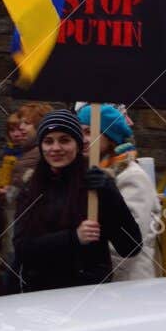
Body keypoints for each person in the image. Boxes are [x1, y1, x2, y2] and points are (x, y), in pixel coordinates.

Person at [13, 109, 141, 292]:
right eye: (48, 141)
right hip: (41, 295)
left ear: (78, 144)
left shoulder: (96, 186)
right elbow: (22, 249)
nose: (55, 148)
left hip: (89, 296)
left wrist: (110, 194)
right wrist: (74, 237)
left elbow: (130, 247)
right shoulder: (30, 188)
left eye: (64, 140)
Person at [77, 102, 160, 280]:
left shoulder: (132, 177)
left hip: (127, 284)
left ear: (110, 137)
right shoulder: (88, 175)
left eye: (89, 132)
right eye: (80, 132)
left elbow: (130, 240)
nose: (83, 139)